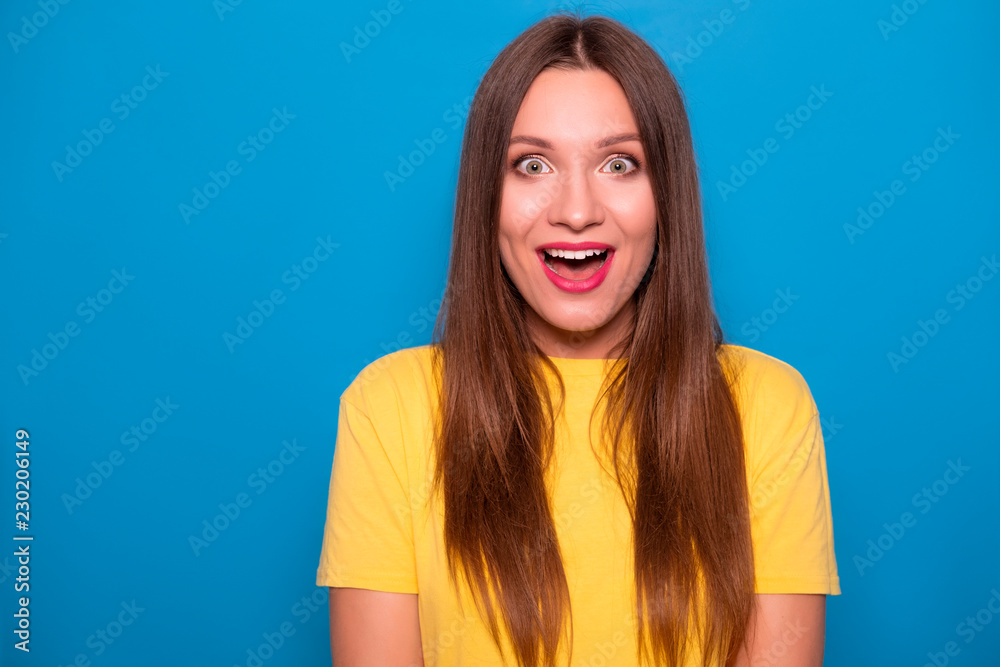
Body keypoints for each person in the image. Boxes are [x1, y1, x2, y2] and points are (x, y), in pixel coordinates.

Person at [316, 11, 840, 667]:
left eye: (620, 163)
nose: (574, 209)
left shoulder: (766, 406)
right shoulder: (391, 408)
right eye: (532, 165)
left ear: (666, 195)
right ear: (487, 195)